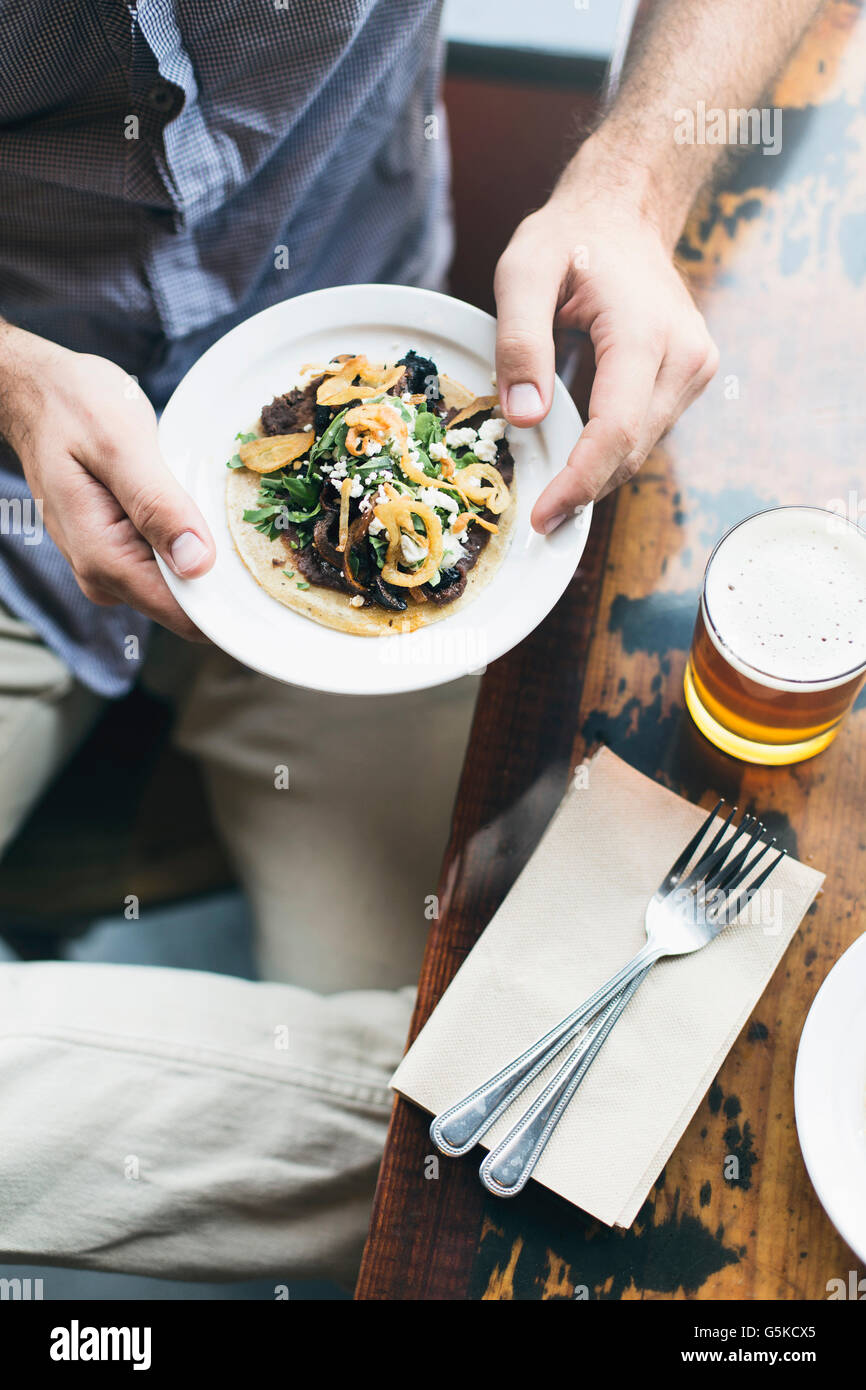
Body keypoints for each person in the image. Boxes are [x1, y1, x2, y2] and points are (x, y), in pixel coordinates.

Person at [0, 0, 821, 1289]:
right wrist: (9, 377)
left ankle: (476, 1094)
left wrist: (632, 180)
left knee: (479, 948)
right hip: (8, 526)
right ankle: (514, 1106)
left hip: (387, 407)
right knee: (487, 1050)